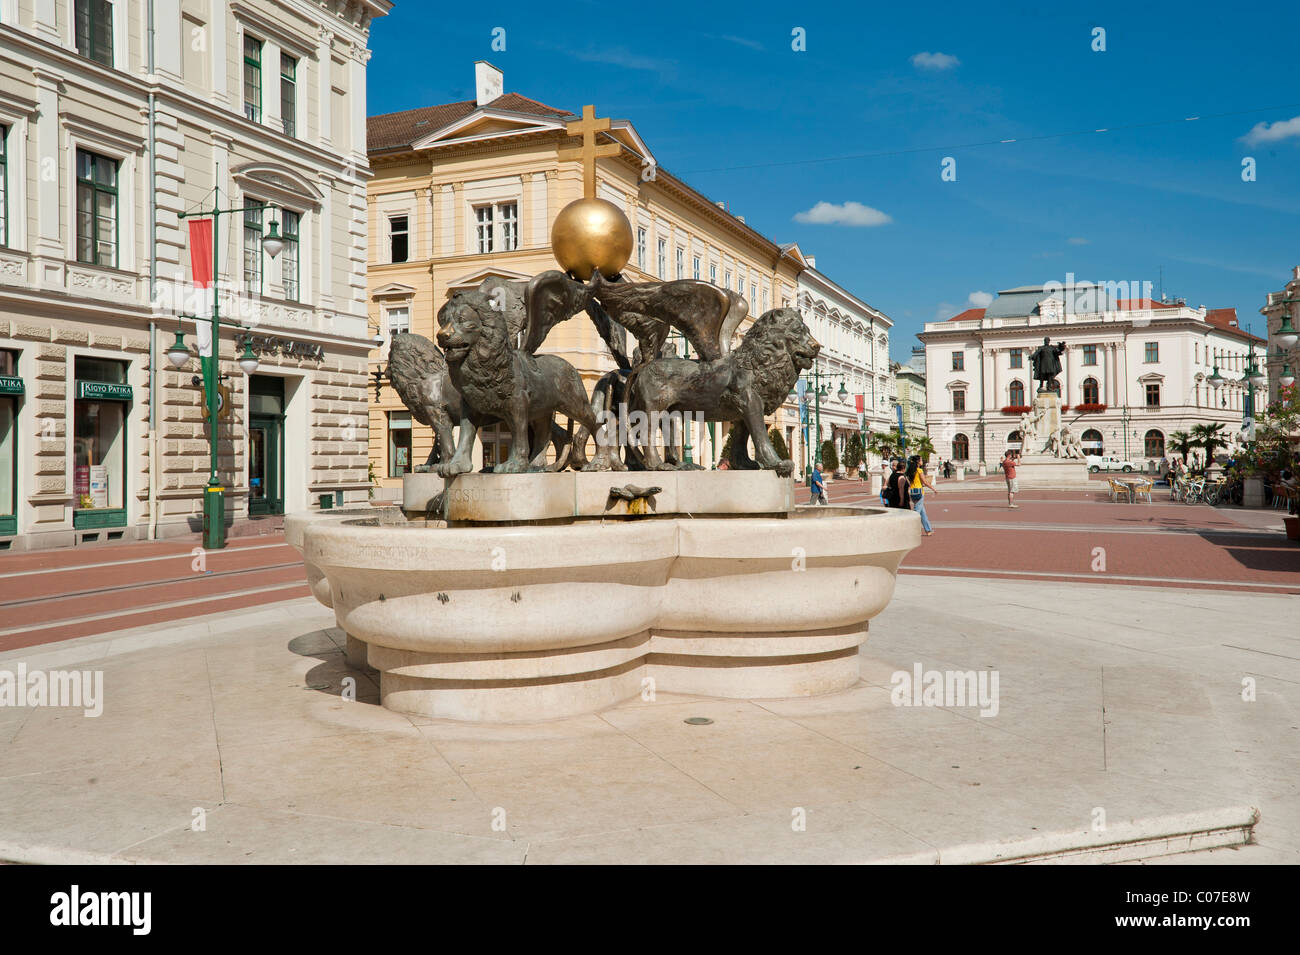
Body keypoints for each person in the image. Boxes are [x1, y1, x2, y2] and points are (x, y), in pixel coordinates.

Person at [906, 455, 938, 535]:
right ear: (918, 462)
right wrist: (933, 489)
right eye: (921, 460)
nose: (922, 461)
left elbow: (908, 481)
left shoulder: (910, 470)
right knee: (916, 512)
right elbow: (925, 482)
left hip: (913, 492)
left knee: (922, 512)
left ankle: (928, 530)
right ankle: (910, 529)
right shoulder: (919, 470)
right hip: (919, 492)